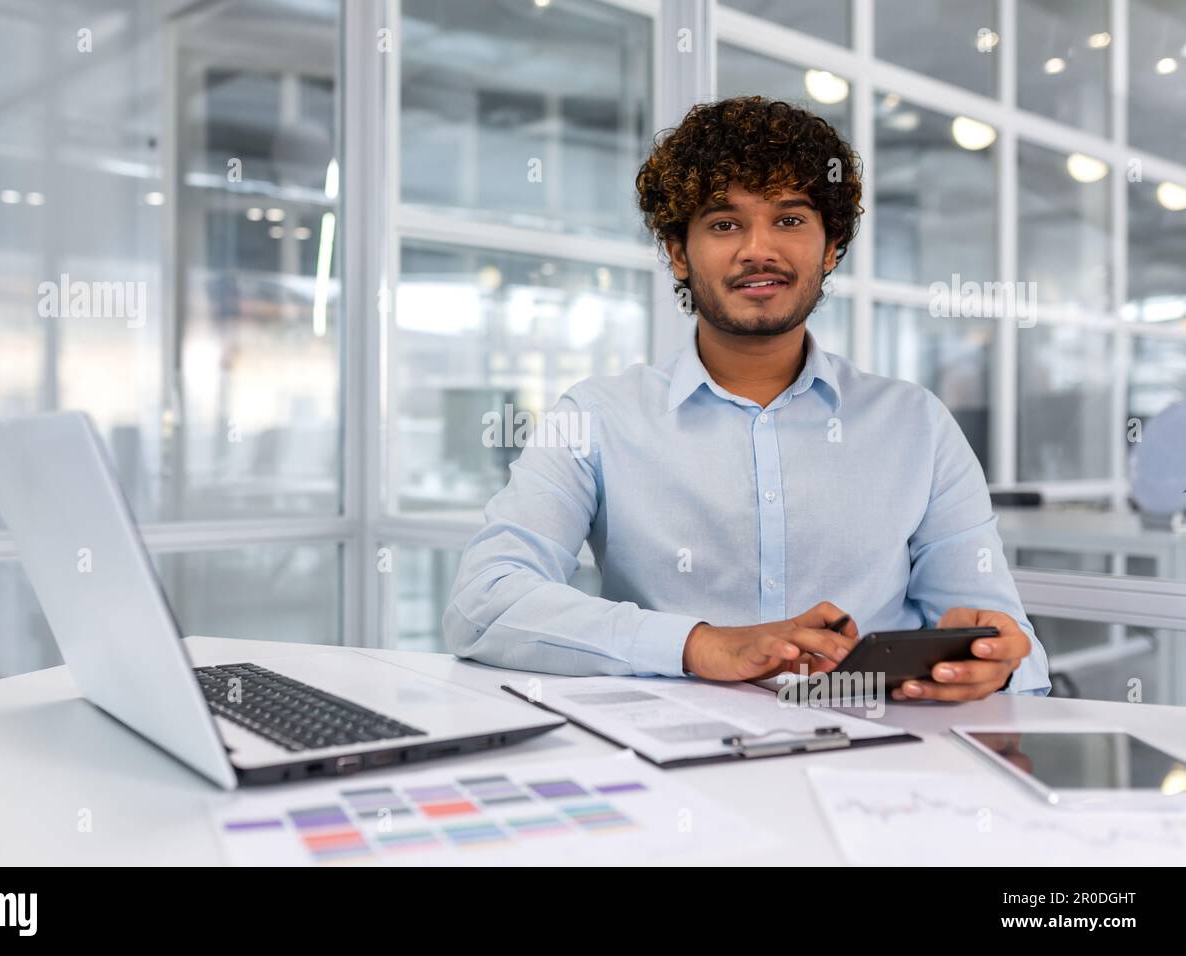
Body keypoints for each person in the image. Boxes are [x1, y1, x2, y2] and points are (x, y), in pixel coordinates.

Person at [442, 96, 1049, 700]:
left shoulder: (916, 424)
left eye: (790, 219)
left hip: (881, 764)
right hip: (672, 769)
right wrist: (703, 645)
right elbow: (484, 602)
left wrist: (996, 663)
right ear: (679, 253)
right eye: (725, 223)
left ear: (830, 247)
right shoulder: (600, 416)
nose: (760, 249)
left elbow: (1009, 639)